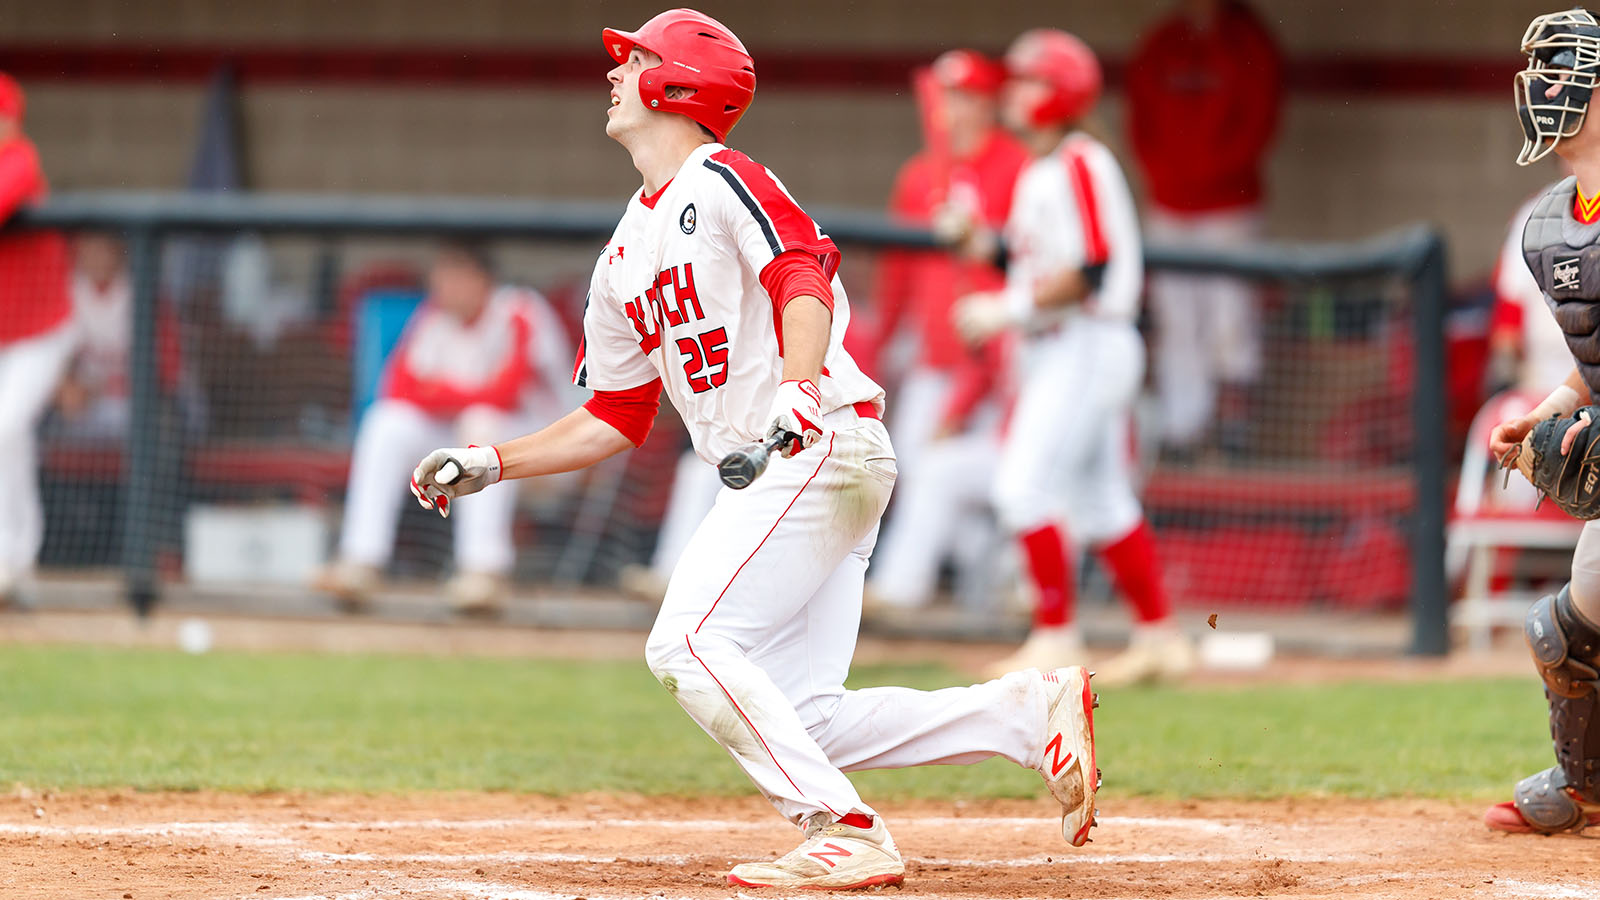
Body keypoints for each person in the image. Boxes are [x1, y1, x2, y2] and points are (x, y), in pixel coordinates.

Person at [406, 10, 1100, 889]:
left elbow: (800, 274)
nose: (617, 73)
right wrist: (493, 460)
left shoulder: (724, 177)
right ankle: (1023, 714)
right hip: (795, 466)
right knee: (807, 714)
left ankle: (840, 825)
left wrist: (801, 386)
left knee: (684, 643)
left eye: (639, 60)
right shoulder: (623, 249)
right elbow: (616, 415)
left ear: (681, 83)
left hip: (819, 442)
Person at [951, 30, 1193, 685]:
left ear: (1061, 92)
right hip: (1066, 344)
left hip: (1088, 337)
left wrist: (1007, 308)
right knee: (1102, 502)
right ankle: (1160, 637)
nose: (1015, 93)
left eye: (1030, 81)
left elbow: (1090, 268)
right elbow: (1042, 261)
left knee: (1022, 486)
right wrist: (988, 251)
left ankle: (1056, 634)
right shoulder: (1043, 168)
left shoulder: (1082, 158)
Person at [1484, 6, 1600, 835]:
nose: (1548, 88)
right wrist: (1552, 411)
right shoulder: (1553, 221)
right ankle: (1586, 786)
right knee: (1564, 630)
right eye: (1544, 73)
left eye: (1569, 73)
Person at [315, 243, 572, 615]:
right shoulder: (435, 316)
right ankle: (361, 561)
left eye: (452, 275)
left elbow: (506, 393)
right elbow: (397, 388)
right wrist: (458, 395)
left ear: (479, 277)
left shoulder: (519, 309)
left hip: (548, 449)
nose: (441, 285)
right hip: (466, 437)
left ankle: (484, 571)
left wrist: (440, 390)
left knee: (482, 423)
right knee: (387, 423)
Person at [865, 49, 1027, 611]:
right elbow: (896, 273)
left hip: (999, 362)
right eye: (948, 95)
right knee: (912, 472)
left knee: (1008, 483)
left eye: (966, 96)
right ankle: (963, 577)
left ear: (990, 104)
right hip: (936, 359)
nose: (954, 108)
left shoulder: (1018, 167)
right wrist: (880, 346)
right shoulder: (919, 176)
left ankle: (995, 580)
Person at [1125, 0, 1283, 453]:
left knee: (1230, 314)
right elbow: (1140, 123)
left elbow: (1260, 121)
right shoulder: (1162, 41)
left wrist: (1209, 175)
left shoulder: (1248, 39)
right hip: (1169, 204)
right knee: (1177, 318)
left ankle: (1232, 435)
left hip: (1228, 205)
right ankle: (1184, 429)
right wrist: (1166, 178)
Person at [0, 72, 74, 607]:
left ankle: (10, 558)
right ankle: (18, 560)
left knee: (4, 429)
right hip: (5, 332)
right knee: (11, 440)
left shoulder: (21, 160)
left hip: (43, 330)